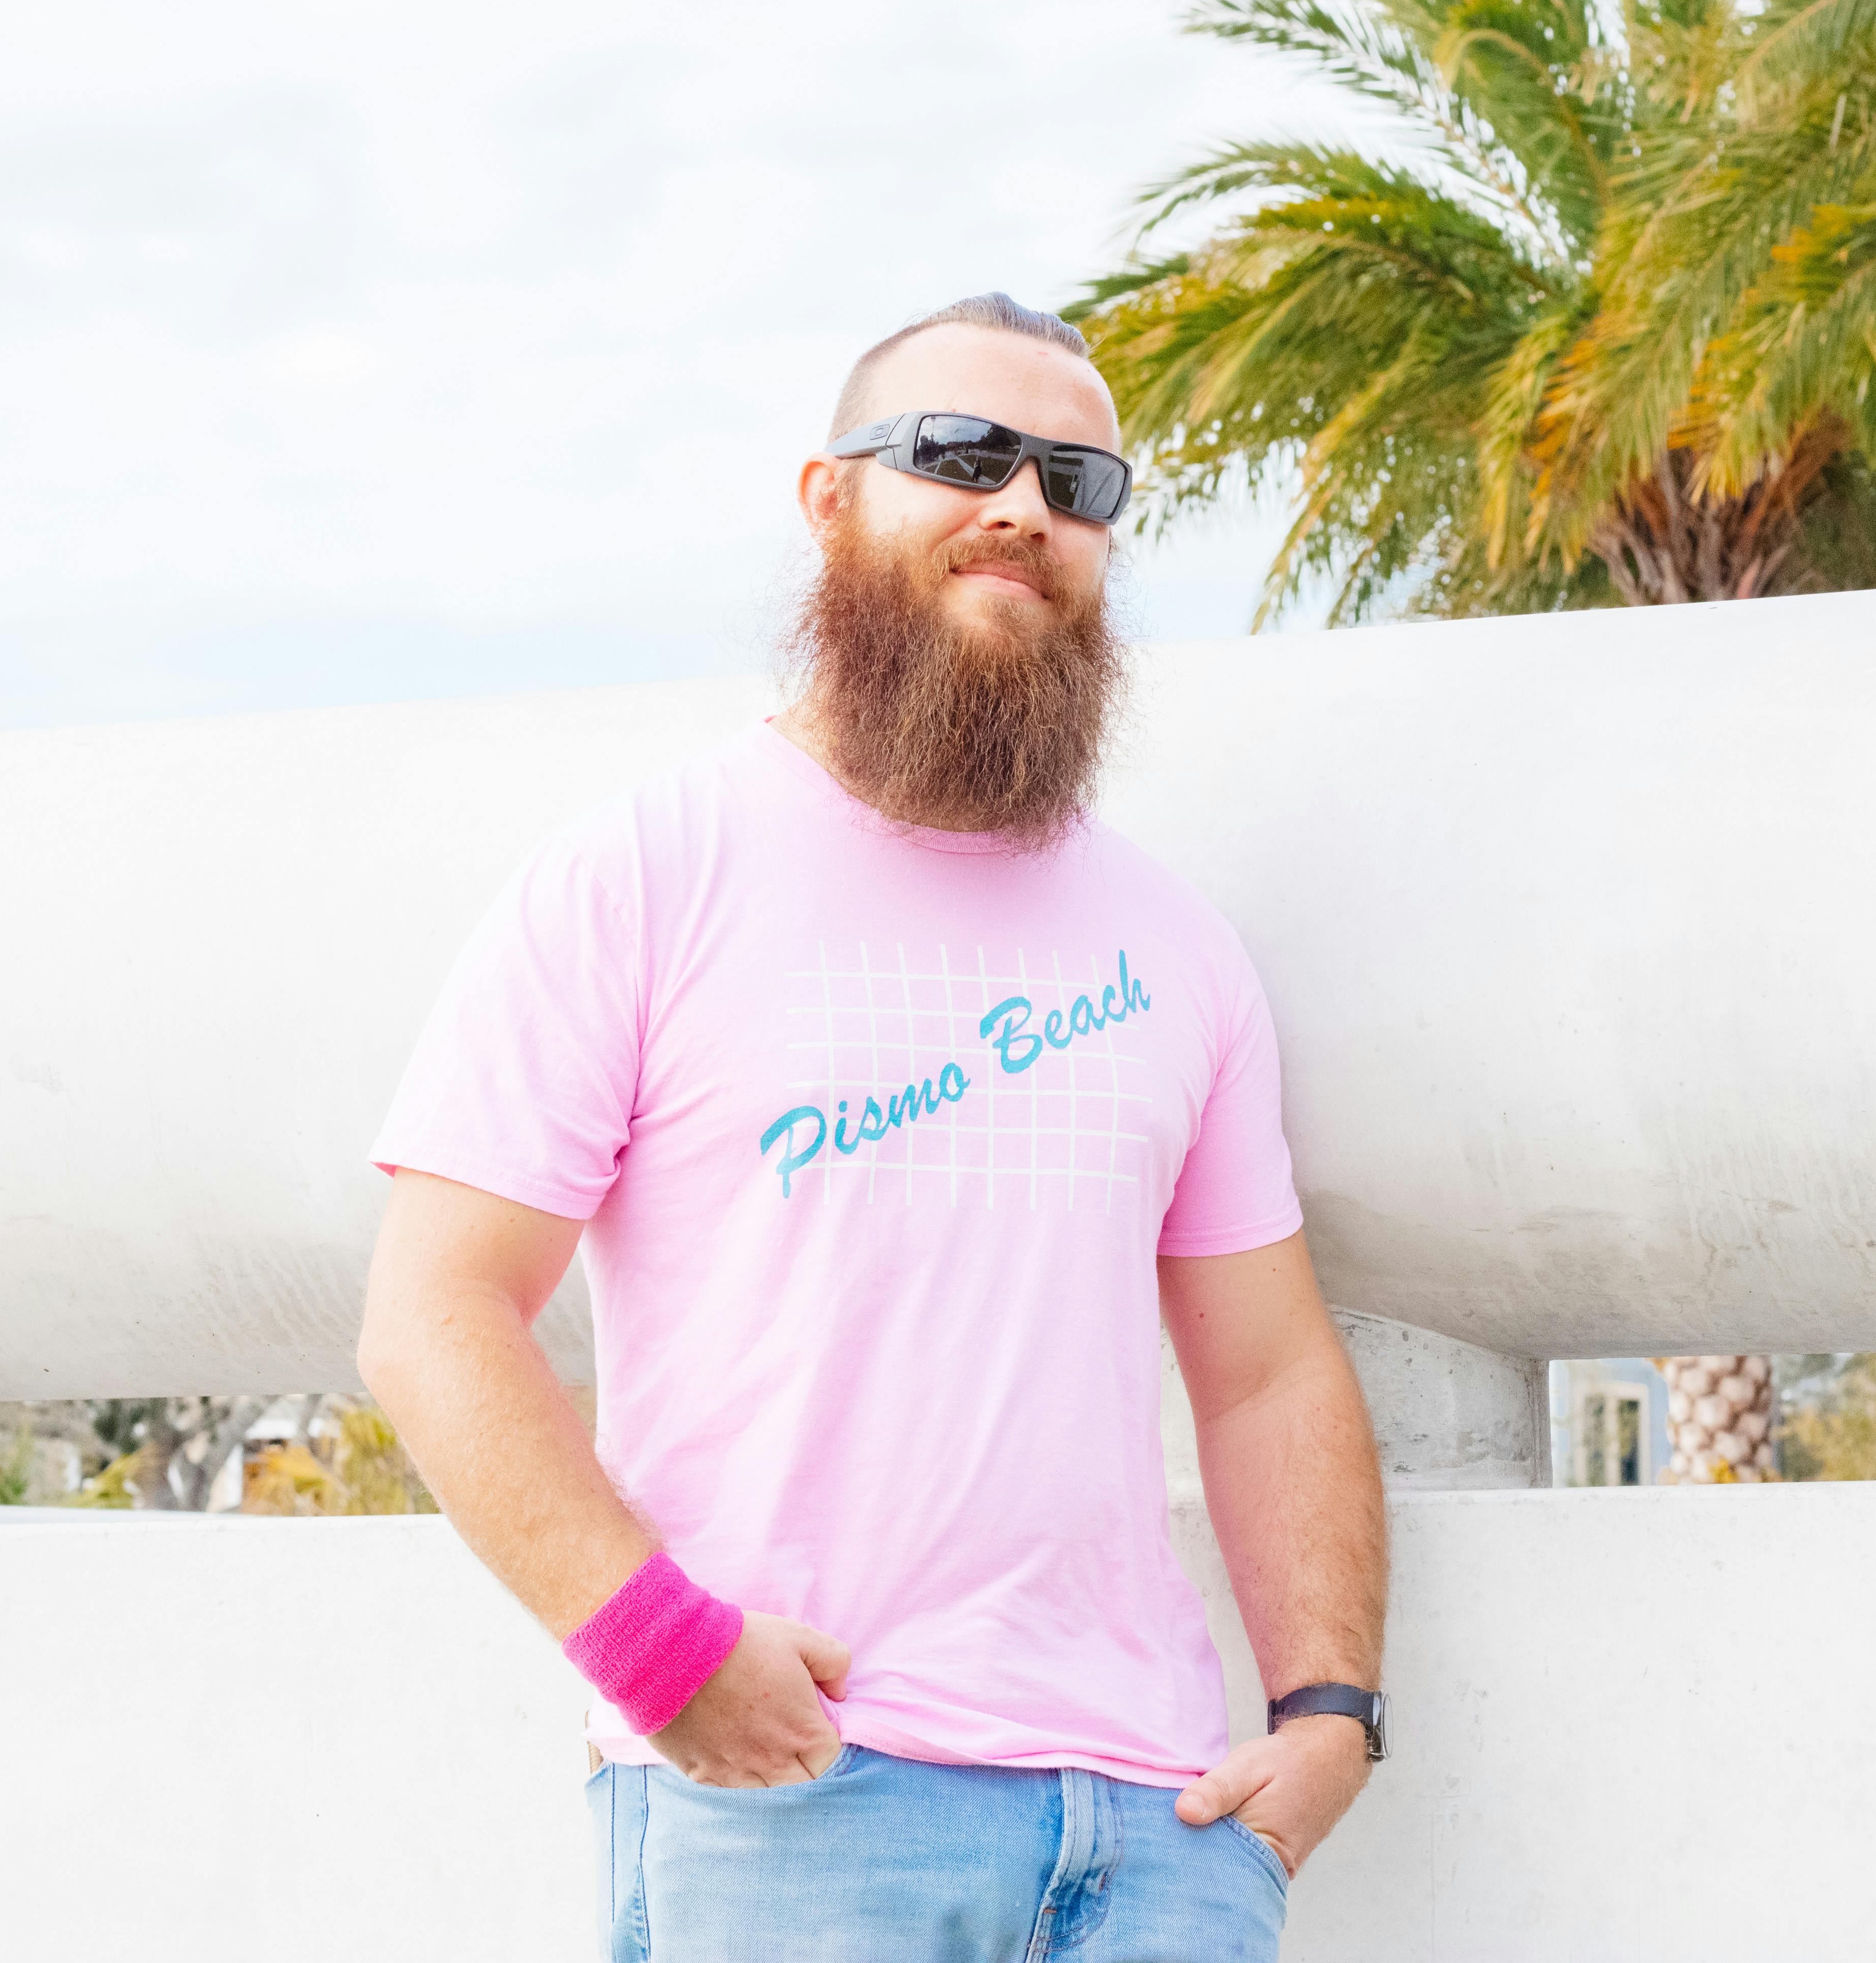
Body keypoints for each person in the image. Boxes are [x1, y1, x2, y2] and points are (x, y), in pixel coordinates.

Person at [359, 293, 1389, 1962]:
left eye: (1078, 482)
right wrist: (663, 1660)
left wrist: (1331, 1710)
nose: (1024, 506)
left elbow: (1266, 1370)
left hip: (1162, 1832)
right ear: (828, 500)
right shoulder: (641, 876)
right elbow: (431, 1314)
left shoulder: (1180, 950)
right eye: (962, 455)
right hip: (794, 1802)